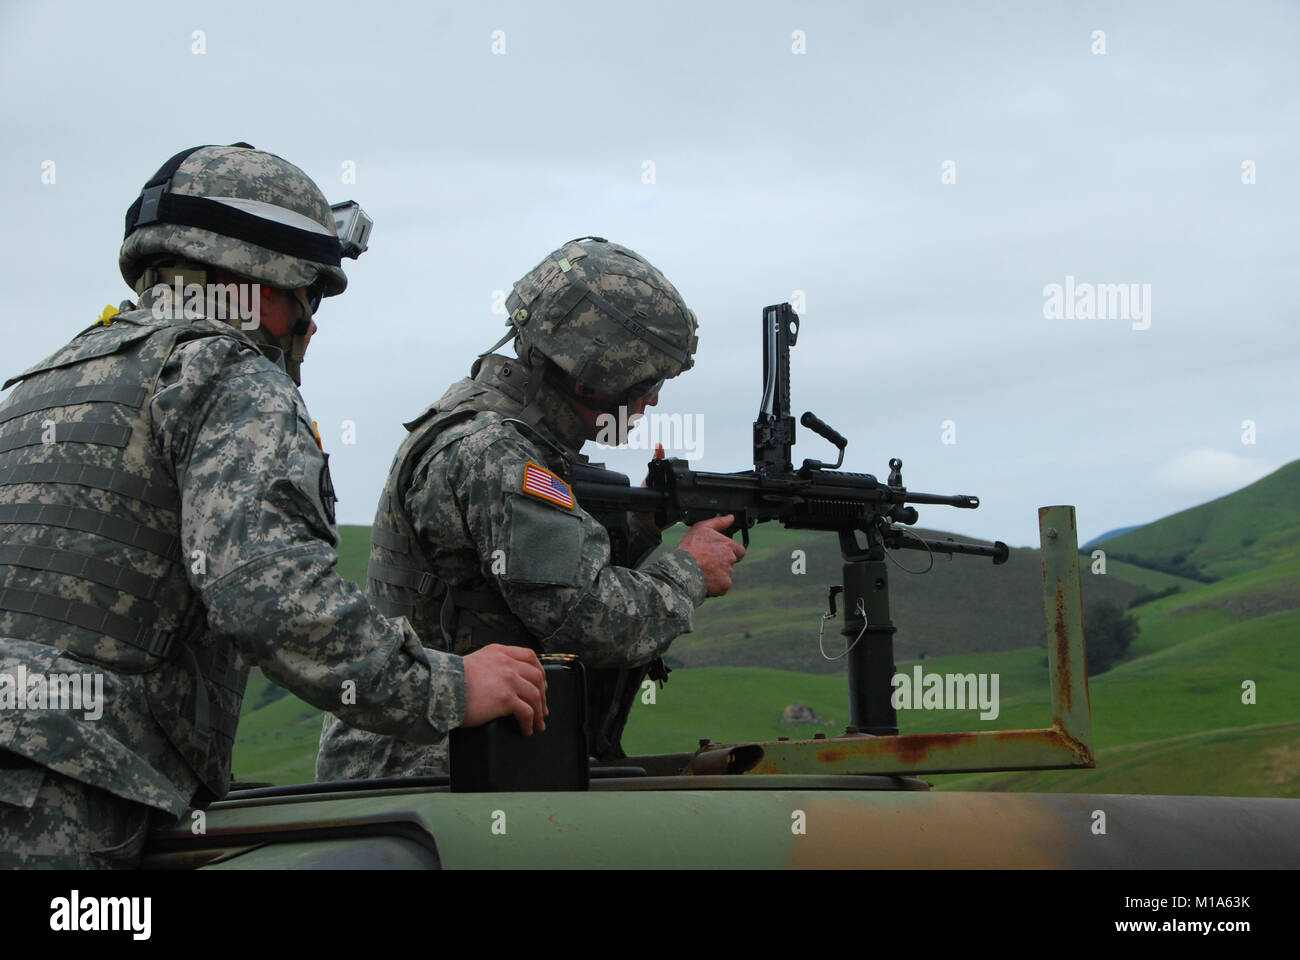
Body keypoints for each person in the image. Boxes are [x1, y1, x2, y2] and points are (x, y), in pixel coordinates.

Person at [0, 143, 546, 869]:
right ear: (258, 283)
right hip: (62, 797)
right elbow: (268, 593)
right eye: (309, 294)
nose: (309, 325)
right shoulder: (228, 375)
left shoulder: (36, 386)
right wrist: (447, 687)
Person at [316, 237, 745, 781]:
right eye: (646, 382)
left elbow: (519, 583)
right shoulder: (498, 453)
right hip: (432, 769)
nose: (652, 401)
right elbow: (583, 619)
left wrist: (639, 529)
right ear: (588, 378)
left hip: (447, 758)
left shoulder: (496, 426)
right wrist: (689, 570)